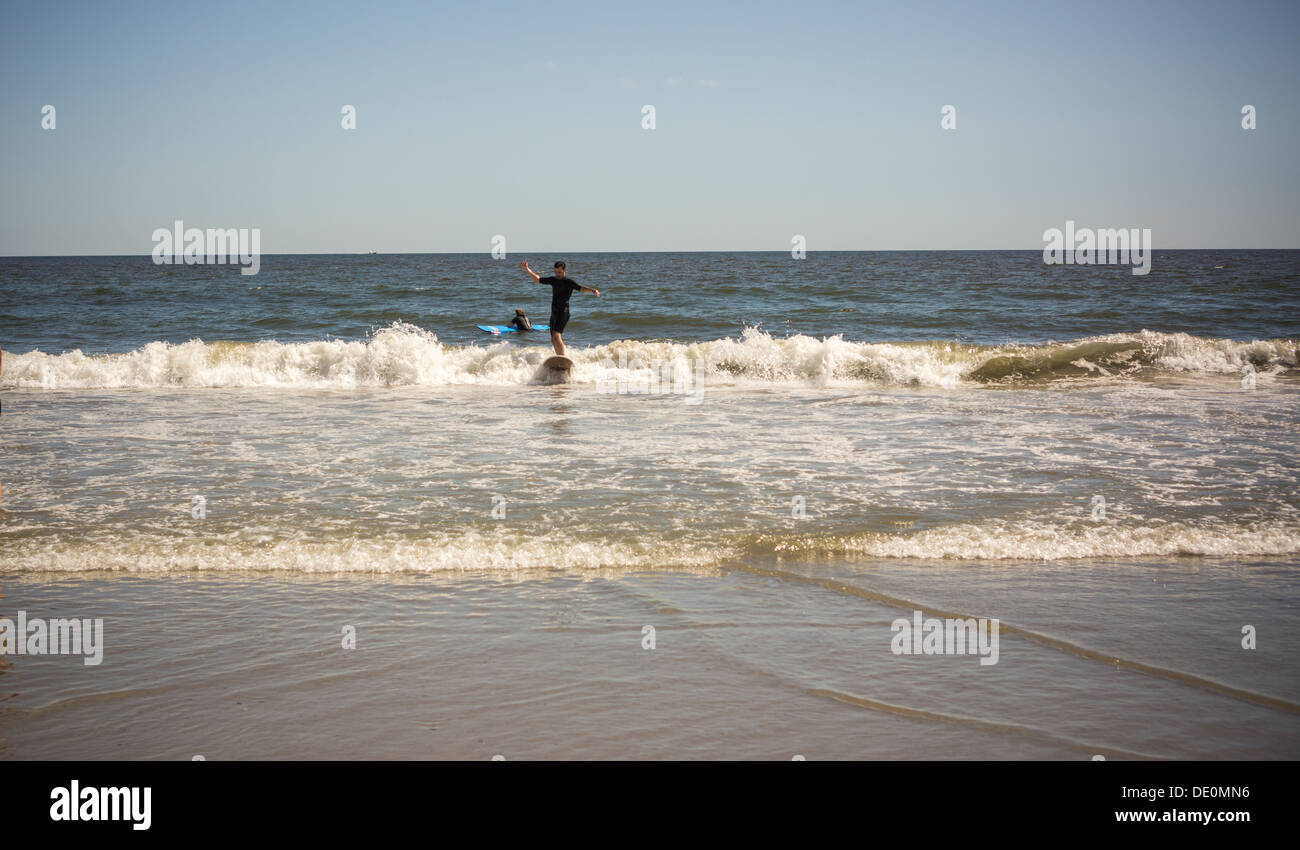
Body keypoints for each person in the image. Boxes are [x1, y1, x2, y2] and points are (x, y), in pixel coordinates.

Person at [518, 260, 599, 355]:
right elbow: (537, 279)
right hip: (554, 313)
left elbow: (581, 289)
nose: (557, 274)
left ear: (564, 270)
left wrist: (593, 290)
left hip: (563, 312)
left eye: (559, 272)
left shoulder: (569, 282)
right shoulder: (553, 280)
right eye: (556, 272)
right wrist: (527, 269)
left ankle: (563, 357)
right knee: (553, 338)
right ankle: (558, 358)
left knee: (556, 335)